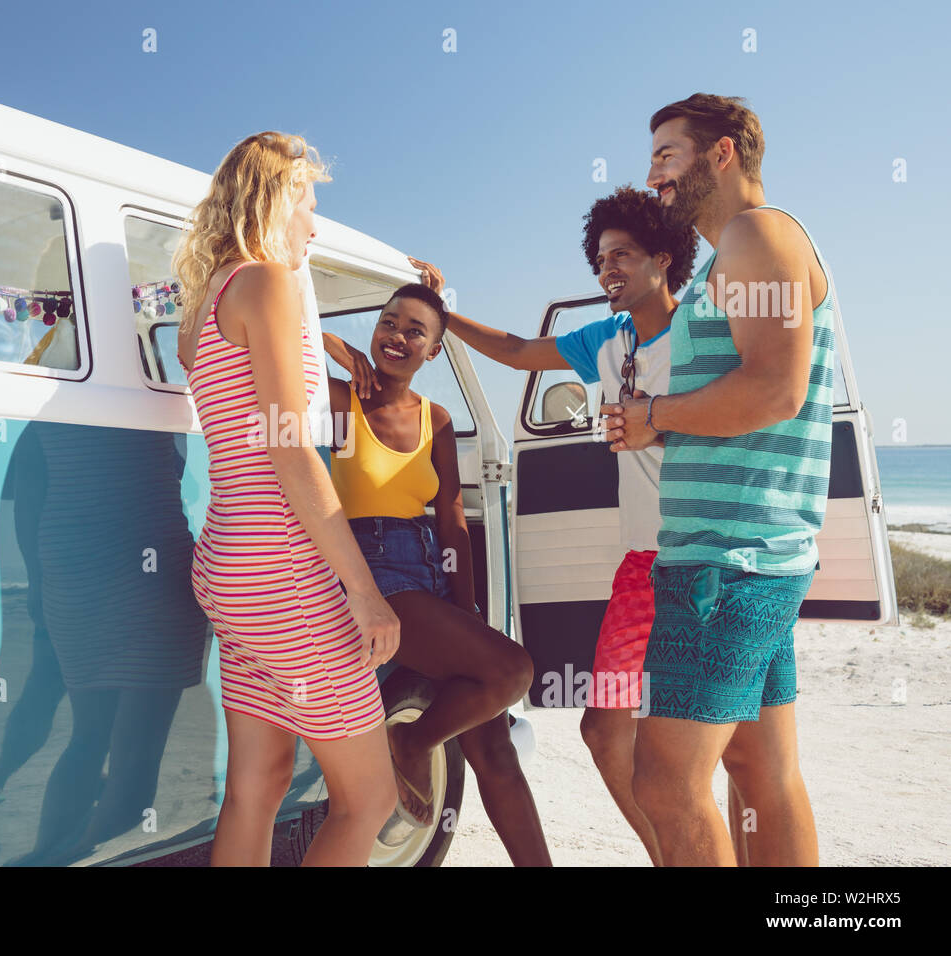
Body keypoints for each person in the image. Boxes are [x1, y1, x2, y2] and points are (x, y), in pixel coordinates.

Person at [411, 184, 698, 864]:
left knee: (711, 746)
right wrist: (445, 315)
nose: (608, 272)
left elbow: (753, 414)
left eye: (622, 255)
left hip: (702, 556)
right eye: (600, 261)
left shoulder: (703, 333)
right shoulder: (609, 339)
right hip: (641, 565)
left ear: (664, 258)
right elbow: (516, 352)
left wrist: (658, 424)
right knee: (605, 733)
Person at [603, 93, 835, 866]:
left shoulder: (757, 234)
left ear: (723, 152)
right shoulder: (728, 257)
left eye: (668, 154)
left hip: (730, 561)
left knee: (665, 782)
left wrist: (657, 415)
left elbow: (776, 390)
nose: (654, 173)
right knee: (759, 769)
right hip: (747, 557)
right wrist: (654, 418)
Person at [172, 132, 399, 866]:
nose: (313, 224)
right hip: (285, 575)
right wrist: (364, 591)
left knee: (257, 787)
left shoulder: (206, 308)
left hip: (229, 572)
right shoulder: (265, 284)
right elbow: (290, 448)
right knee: (371, 799)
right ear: (275, 199)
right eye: (307, 203)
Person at [324, 283, 550, 864]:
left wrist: (467, 608)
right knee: (512, 669)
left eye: (415, 330)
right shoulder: (338, 400)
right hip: (371, 573)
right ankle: (414, 739)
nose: (397, 336)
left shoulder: (438, 418)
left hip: (428, 571)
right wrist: (338, 348)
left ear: (434, 350)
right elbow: (276, 343)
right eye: (388, 322)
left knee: (495, 746)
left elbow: (450, 517)